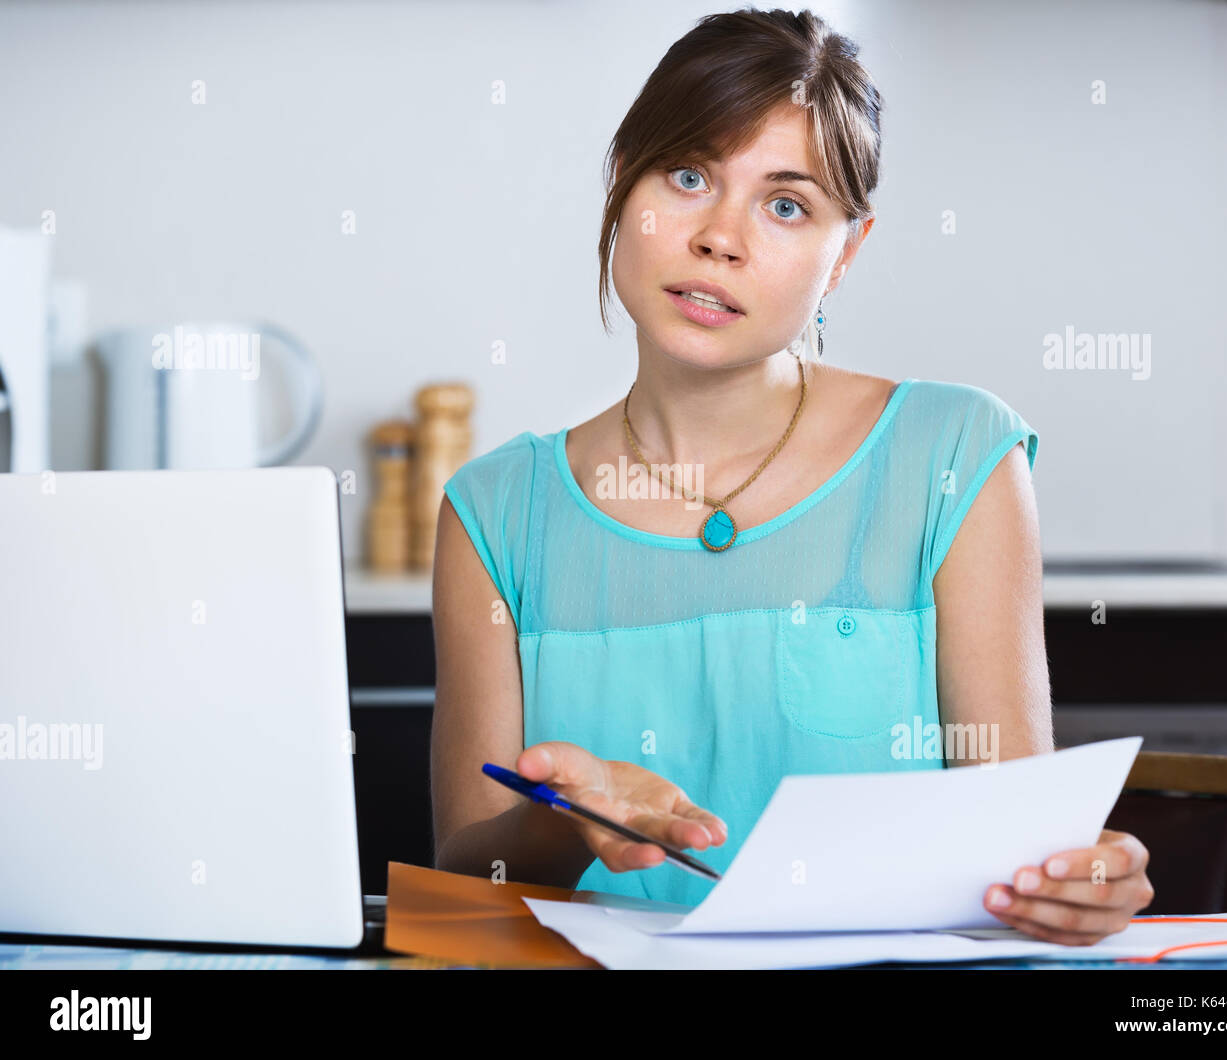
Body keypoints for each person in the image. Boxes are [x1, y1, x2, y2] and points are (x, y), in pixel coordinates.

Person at [431, 7, 1153, 946]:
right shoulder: (492, 511)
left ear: (845, 253)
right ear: (623, 184)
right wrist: (562, 823)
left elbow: (1016, 852)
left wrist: (1071, 885)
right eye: (688, 176)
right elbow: (464, 886)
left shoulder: (955, 455)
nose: (719, 239)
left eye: (785, 205)